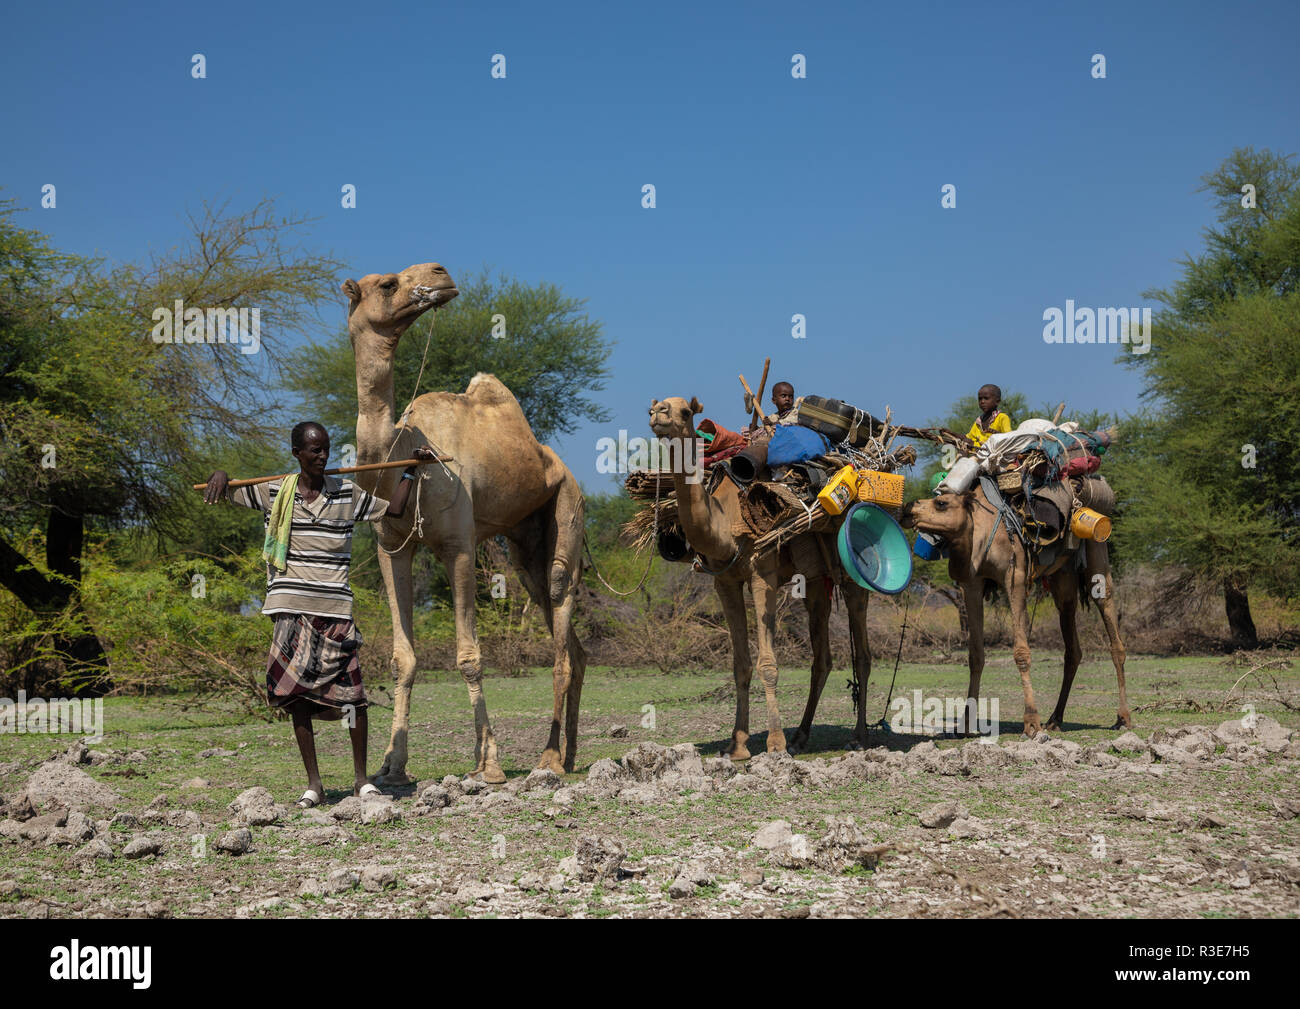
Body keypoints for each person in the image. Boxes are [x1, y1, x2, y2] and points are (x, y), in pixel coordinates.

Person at [201, 421, 437, 808]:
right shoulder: (274, 493)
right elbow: (226, 489)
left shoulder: (346, 493)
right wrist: (222, 475)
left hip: (334, 610)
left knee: (353, 700)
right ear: (297, 453)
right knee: (297, 698)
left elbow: (394, 510)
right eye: (314, 450)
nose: (322, 456)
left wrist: (411, 469)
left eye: (326, 448)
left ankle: (361, 780)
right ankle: (315, 784)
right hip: (289, 610)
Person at [966, 384, 1012, 448]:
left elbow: (1009, 438)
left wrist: (994, 432)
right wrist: (950, 433)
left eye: (986, 398)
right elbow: (968, 438)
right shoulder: (978, 422)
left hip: (996, 453)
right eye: (980, 399)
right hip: (980, 453)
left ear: (997, 401)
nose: (982, 402)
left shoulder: (1002, 417)